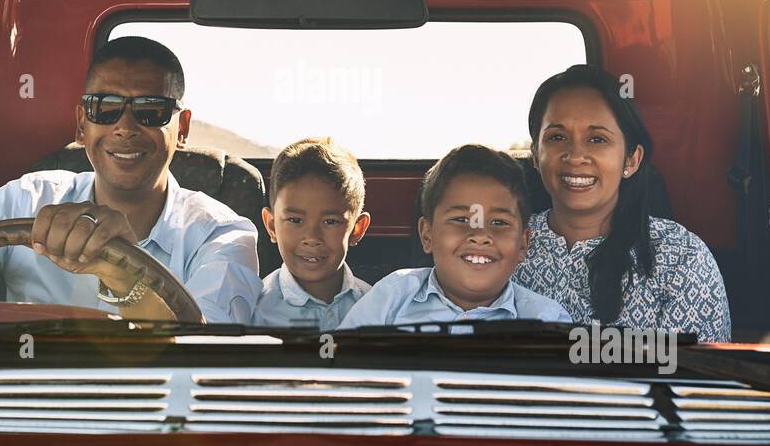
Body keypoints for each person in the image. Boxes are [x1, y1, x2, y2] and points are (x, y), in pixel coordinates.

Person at [0, 36, 262, 324]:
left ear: (181, 127)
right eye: (105, 108)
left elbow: (211, 356)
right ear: (81, 125)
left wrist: (120, 274)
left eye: (150, 110)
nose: (125, 128)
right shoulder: (31, 198)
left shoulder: (222, 233)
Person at [512, 64, 731, 342]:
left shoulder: (682, 259)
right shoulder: (502, 244)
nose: (575, 156)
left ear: (631, 160)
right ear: (535, 155)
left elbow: (695, 369)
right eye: (557, 137)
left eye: (597, 139)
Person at [338, 144, 571, 328]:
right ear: (427, 235)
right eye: (461, 219)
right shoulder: (391, 298)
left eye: (499, 222)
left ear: (523, 243)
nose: (479, 236)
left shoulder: (547, 320)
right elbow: (342, 364)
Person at [253, 137, 372, 330]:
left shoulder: (377, 306)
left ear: (357, 229)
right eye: (295, 220)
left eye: (330, 222)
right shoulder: (254, 311)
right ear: (272, 226)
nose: (312, 238)